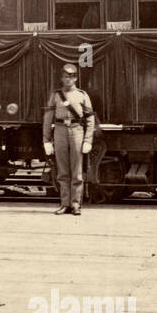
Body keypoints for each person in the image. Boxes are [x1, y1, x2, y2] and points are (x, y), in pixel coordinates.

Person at [43, 62, 95, 216]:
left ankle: (76, 204)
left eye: (71, 77)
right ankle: (65, 204)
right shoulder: (56, 95)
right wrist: (46, 140)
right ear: (62, 78)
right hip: (59, 131)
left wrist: (88, 140)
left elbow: (90, 119)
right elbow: (48, 118)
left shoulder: (82, 95)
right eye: (66, 77)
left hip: (77, 131)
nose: (68, 80)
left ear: (76, 78)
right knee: (62, 171)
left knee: (77, 170)